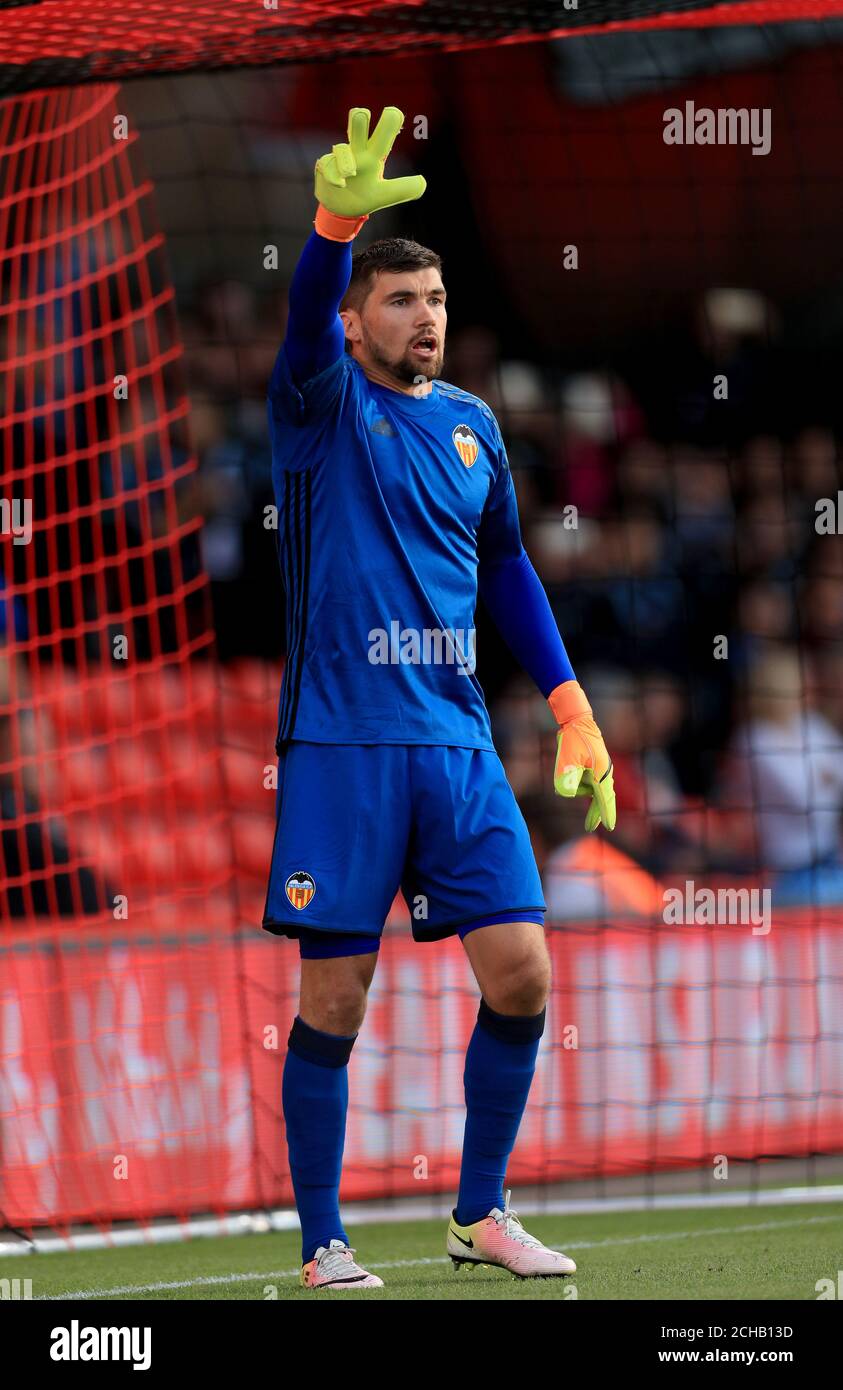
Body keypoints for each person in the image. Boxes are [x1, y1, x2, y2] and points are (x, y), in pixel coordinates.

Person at [262, 107, 616, 1290]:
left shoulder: (470, 428)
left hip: (457, 742)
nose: (426, 320)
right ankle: (322, 1241)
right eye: (402, 302)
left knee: (523, 974)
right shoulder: (319, 409)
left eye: (437, 303)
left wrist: (568, 702)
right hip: (342, 741)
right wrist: (331, 226)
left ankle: (480, 1213)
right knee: (336, 997)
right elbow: (305, 314)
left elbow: (509, 565)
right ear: (361, 320)